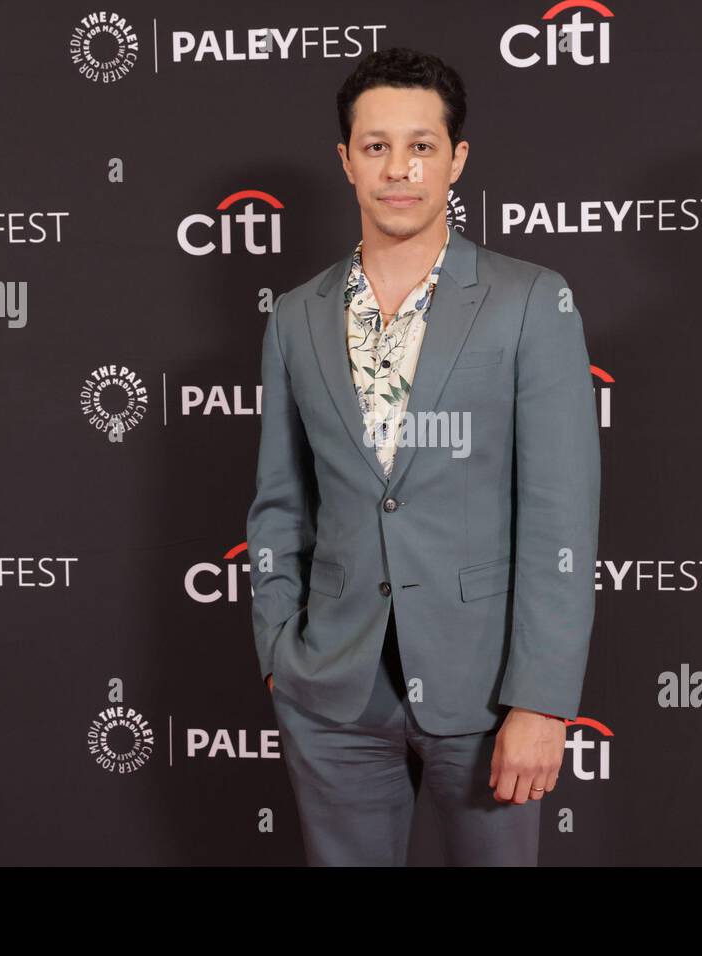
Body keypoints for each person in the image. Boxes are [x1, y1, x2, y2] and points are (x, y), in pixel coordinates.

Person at [246, 47, 601, 866]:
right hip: (332, 687)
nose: (398, 169)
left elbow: (562, 513)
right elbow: (279, 500)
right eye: (376, 146)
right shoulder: (297, 316)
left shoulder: (528, 301)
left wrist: (541, 702)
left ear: (456, 158)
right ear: (345, 160)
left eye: (421, 146)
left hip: (485, 692)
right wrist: (280, 651)